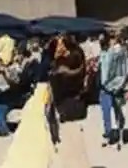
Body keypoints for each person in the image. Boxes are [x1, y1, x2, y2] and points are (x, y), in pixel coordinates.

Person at [48, 35, 91, 166]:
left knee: (71, 149)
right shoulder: (72, 58)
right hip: (73, 106)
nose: (59, 47)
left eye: (61, 43)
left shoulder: (70, 60)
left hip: (68, 106)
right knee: (74, 148)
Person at [98, 31, 128, 150]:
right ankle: (116, 137)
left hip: (111, 87)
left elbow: (108, 72)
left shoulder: (113, 53)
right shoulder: (120, 52)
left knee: (111, 112)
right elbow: (126, 70)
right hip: (117, 86)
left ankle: (114, 136)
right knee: (115, 112)